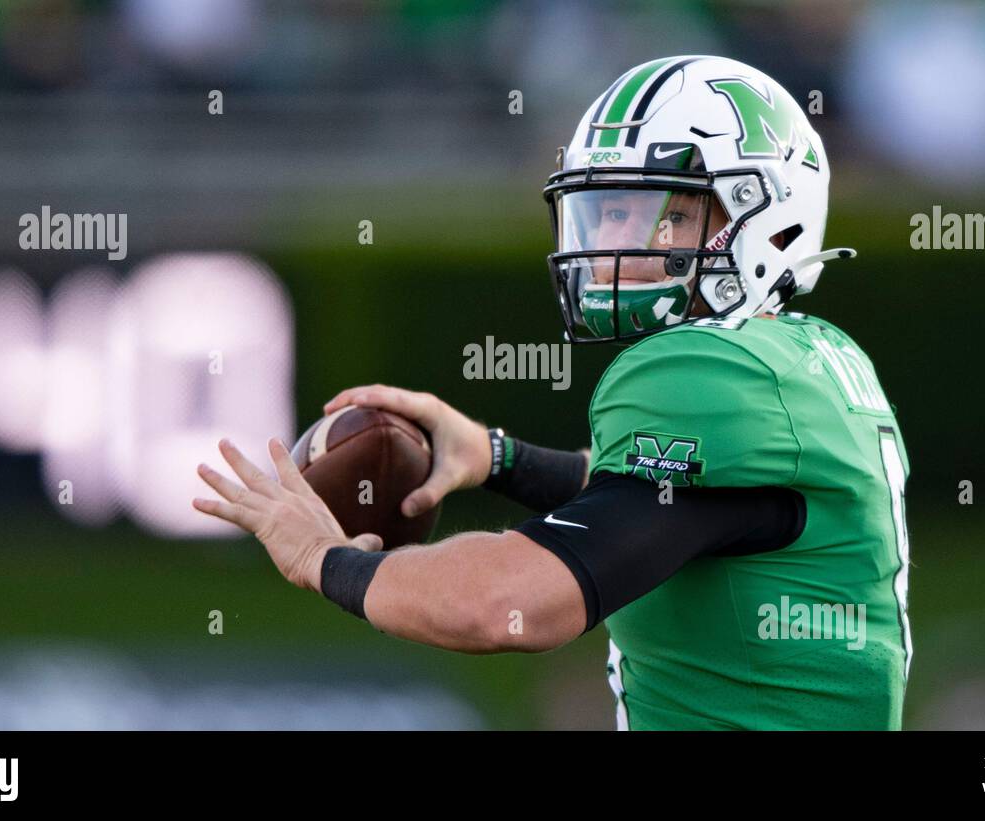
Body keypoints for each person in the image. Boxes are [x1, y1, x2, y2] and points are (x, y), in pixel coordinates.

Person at [193, 55, 911, 730]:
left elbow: (505, 605)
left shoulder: (708, 371)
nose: (609, 240)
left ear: (758, 218)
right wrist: (498, 457)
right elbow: (661, 502)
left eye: (657, 210)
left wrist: (324, 557)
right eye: (608, 209)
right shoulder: (818, 358)